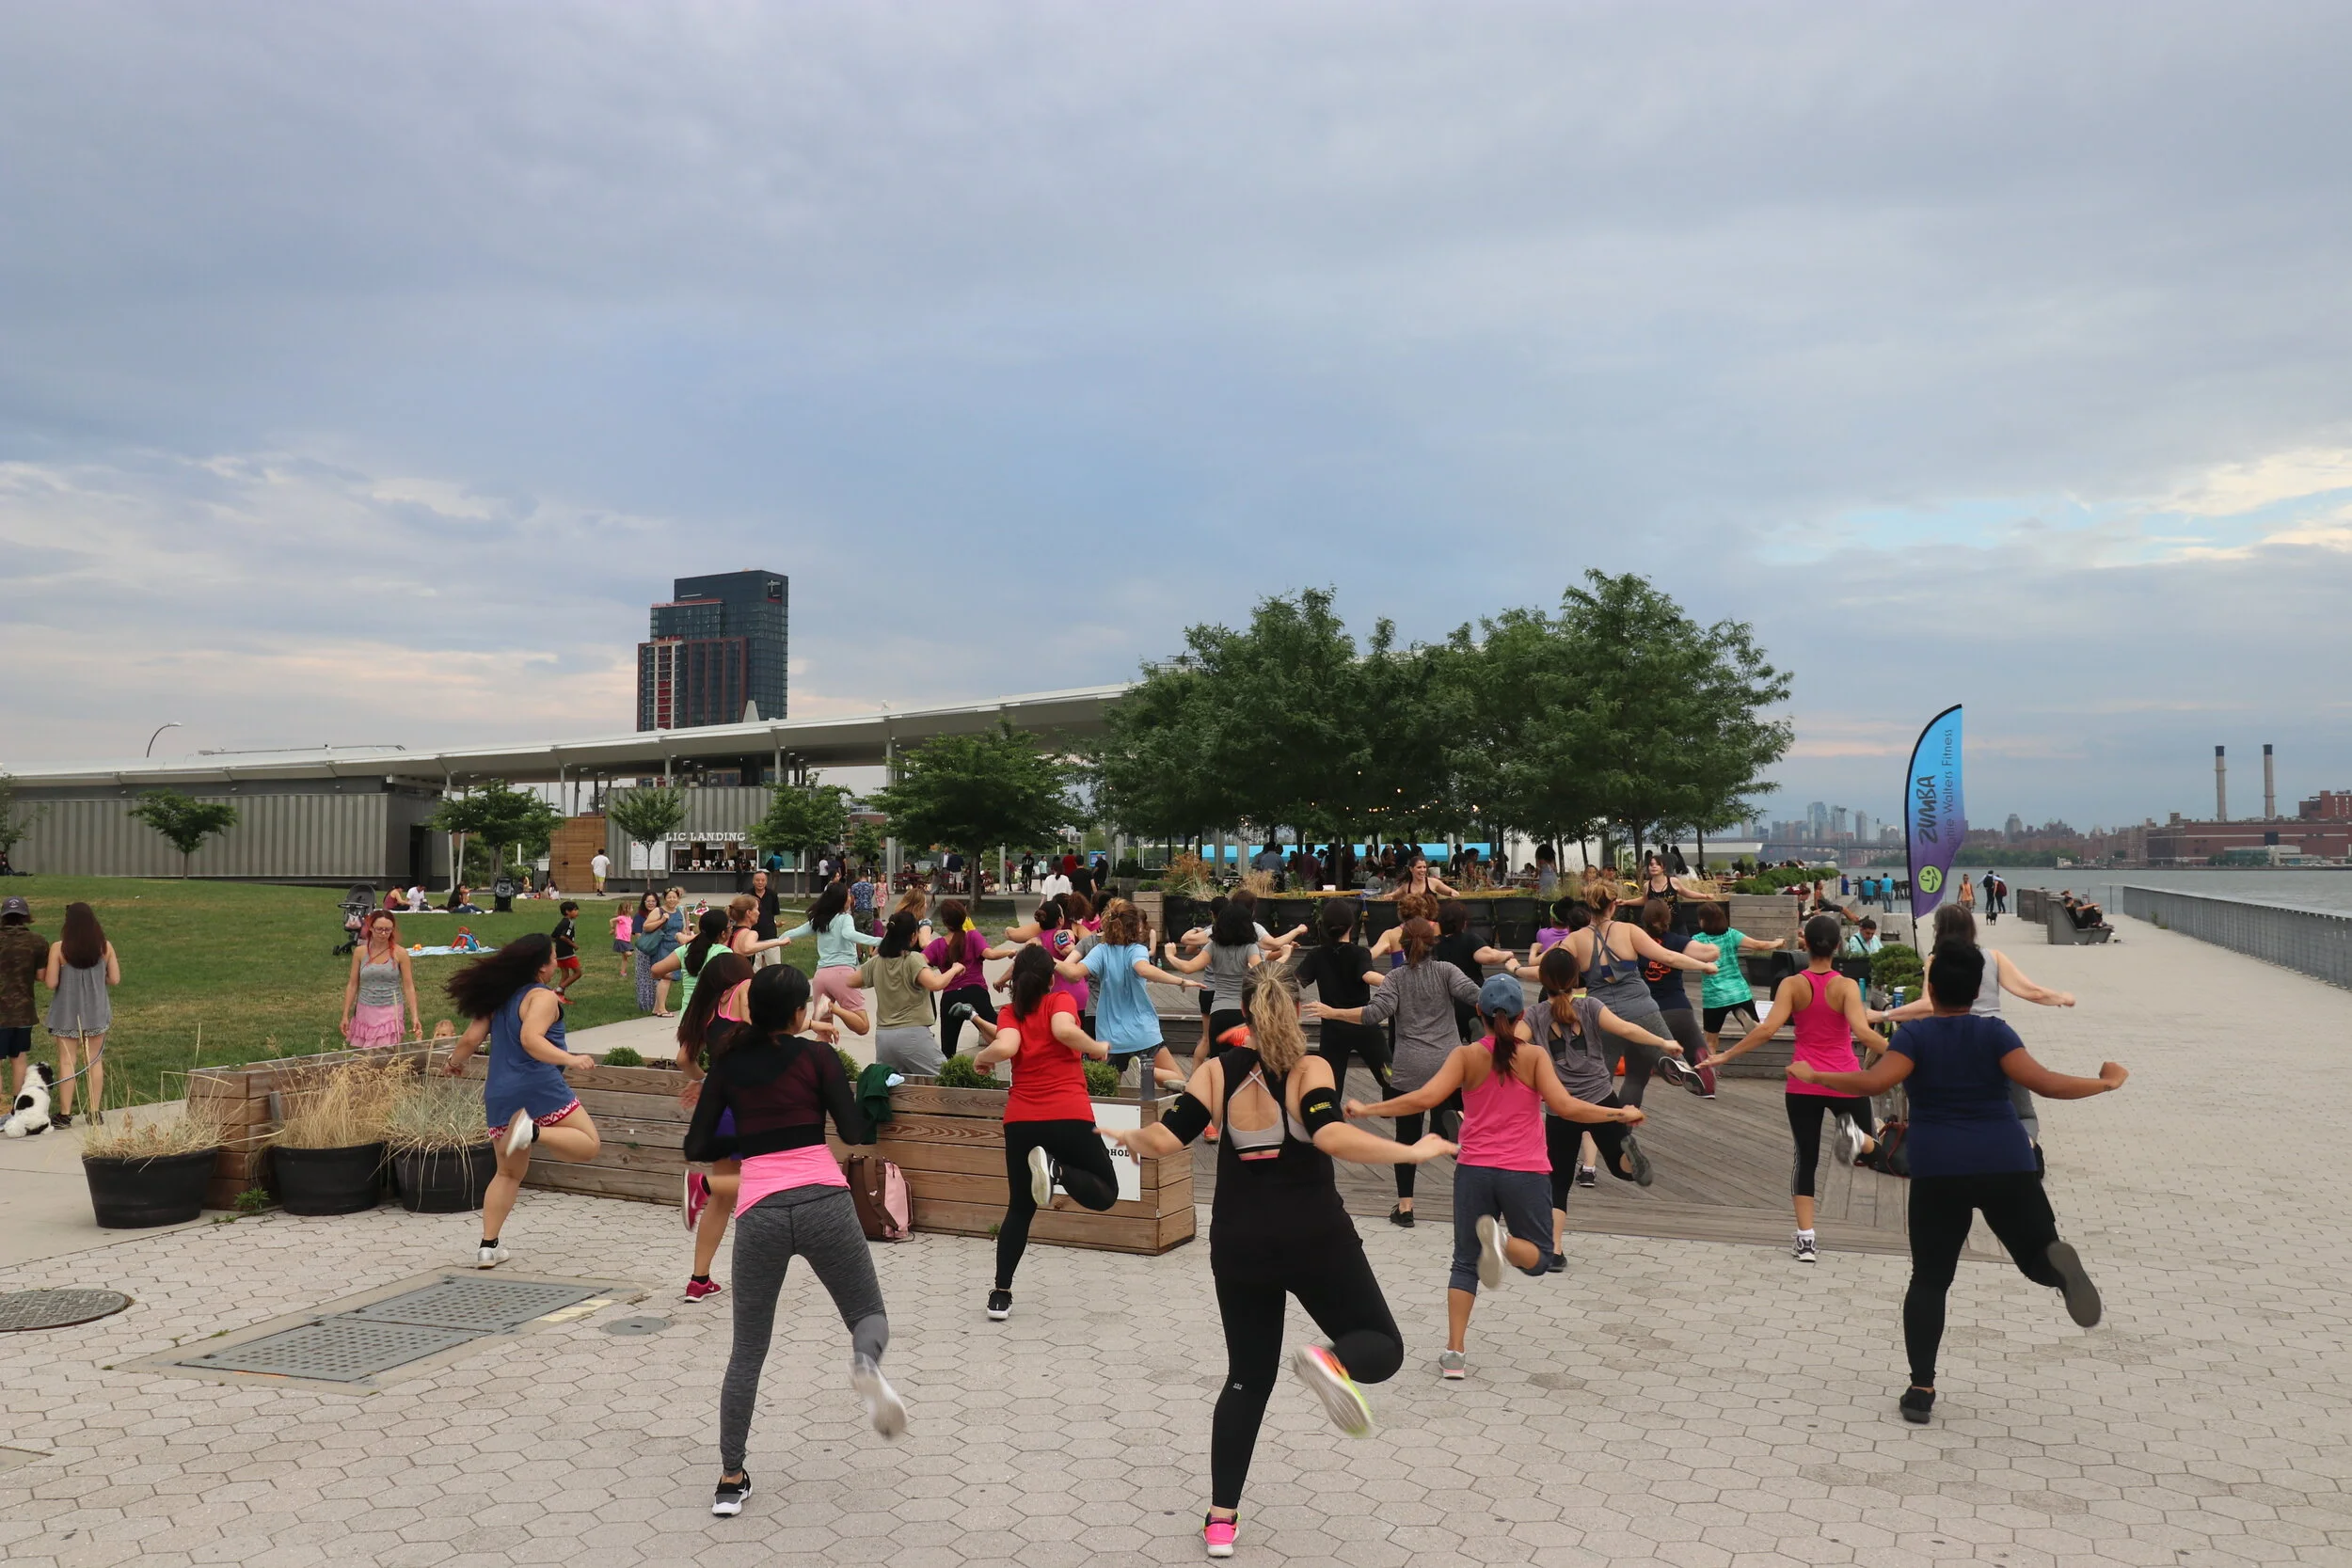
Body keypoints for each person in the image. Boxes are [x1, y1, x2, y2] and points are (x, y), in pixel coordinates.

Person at [1101, 969, 1453, 1558]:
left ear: (1243, 1014)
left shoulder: (1215, 1072)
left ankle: (1220, 1520)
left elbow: (1164, 1140)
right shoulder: (1311, 1071)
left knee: (1246, 1378)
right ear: (1299, 1011)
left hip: (1240, 1246)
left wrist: (1115, 1135)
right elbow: (1330, 1135)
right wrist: (1410, 1150)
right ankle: (1330, 1361)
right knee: (1383, 1347)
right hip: (1315, 1239)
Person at [1790, 942, 2121, 1423]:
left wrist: (1816, 1074)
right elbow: (2046, 1083)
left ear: (1932, 989)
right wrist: (2105, 1082)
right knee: (2036, 1255)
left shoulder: (1915, 1036)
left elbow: (1874, 1083)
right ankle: (2057, 1270)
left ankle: (1920, 1389)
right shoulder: (1995, 1033)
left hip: (1939, 1170)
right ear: (1974, 992)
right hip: (2006, 1162)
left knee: (1930, 1279)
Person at [684, 963, 904, 1517]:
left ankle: (730, 1479)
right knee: (867, 1315)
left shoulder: (729, 1064)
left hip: (760, 1209)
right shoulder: (818, 1058)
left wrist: (745, 1128)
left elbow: (697, 1144)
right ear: (800, 1012)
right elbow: (853, 1132)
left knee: (748, 1350)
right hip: (825, 1201)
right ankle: (865, 1362)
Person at [1347, 974, 1640, 1377]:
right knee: (1539, 1258)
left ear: (1479, 1012)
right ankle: (1502, 1242)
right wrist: (1617, 1113)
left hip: (1475, 1170)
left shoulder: (1466, 1055)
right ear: (1522, 1015)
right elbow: (1566, 1107)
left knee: (1464, 1263)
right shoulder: (1534, 1057)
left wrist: (1369, 1110)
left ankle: (1454, 1353)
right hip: (1525, 1172)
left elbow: (1423, 1098)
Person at [1699, 913, 1885, 1262]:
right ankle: (1858, 1140)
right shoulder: (1846, 986)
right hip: (1845, 1079)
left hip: (1803, 1082)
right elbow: (1862, 1032)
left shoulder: (1791, 985)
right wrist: (1905, 1055)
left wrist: (1726, 1055)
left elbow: (1767, 1030)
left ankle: (1806, 1240)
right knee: (1876, 1154)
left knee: (1806, 1158)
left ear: (1805, 944)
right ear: (1838, 946)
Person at [960, 943, 1120, 1322]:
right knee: (1107, 1192)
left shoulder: (1009, 1013)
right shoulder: (1059, 1000)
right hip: (1068, 1115)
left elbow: (1007, 1045)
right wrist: (1097, 1047)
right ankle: (1056, 1170)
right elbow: (1063, 1030)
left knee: (1020, 1207)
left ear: (1015, 981)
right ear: (1051, 979)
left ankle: (1000, 1294)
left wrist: (981, 1058)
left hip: (1022, 1122)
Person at [1302, 916, 1481, 1228]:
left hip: (1410, 1065)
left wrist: (1333, 1012)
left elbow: (1373, 1014)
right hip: (1448, 1064)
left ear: (1403, 947)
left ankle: (1406, 1207)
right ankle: (1452, 1132)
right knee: (1457, 1126)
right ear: (1433, 943)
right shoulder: (1447, 971)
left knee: (1406, 1137)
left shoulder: (1396, 978)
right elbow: (1477, 996)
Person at [438, 934, 602, 1267]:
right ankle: (533, 1131)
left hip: (500, 1091)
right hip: (538, 1085)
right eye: (553, 958)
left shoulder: (499, 997)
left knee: (508, 1173)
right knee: (589, 1144)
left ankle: (487, 1247)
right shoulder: (543, 997)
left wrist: (453, 1063)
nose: (556, 963)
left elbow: (470, 1038)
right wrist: (570, 1059)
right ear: (542, 967)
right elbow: (530, 1039)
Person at [1878, 904, 2076, 1165]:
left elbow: (1927, 1005)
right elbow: (2032, 991)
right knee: (2024, 1113)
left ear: (1940, 930)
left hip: (1950, 1043)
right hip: (1997, 1042)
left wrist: (1883, 1015)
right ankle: (2023, 1148)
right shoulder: (1993, 957)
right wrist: (2061, 997)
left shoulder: (1936, 961)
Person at [1524, 945, 1676, 1261]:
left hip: (1561, 1107)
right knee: (1619, 1167)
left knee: (1558, 1181)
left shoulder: (1534, 1015)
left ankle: (1554, 1251)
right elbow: (1627, 1029)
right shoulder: (1591, 1006)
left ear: (1542, 979)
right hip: (1602, 1099)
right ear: (1576, 978)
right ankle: (1629, 1157)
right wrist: (1663, 1042)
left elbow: (1510, 1044)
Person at [1545, 889, 1713, 1106]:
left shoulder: (1575, 939)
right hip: (1640, 1006)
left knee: (1602, 1074)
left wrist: (1517, 967)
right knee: (1658, 1049)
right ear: (1613, 905)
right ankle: (1675, 1063)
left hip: (1601, 1013)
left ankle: (1602, 1114)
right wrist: (1704, 966)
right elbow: (1668, 957)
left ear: (1588, 907)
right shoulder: (1629, 930)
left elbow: (1553, 964)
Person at [677, 951, 756, 1301]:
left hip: (719, 1107)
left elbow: (684, 1059)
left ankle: (699, 1280)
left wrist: (705, 1080)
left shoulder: (707, 1010)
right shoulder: (745, 989)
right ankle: (701, 1184)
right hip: (750, 1103)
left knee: (724, 1199)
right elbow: (763, 1031)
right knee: (780, 1177)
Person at [1058, 897, 1197, 1090]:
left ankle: (1139, 1074)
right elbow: (1143, 969)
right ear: (1135, 926)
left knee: (1110, 1090)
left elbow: (1073, 974)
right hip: (1142, 1030)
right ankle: (1147, 1070)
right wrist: (1180, 981)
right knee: (1177, 1079)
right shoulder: (1137, 950)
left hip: (1110, 1036)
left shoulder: (1101, 951)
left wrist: (1050, 960)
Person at [1290, 901, 1391, 1102]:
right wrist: (1399, 983)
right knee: (1389, 1073)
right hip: (1363, 1024)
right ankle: (1393, 1104)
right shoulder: (1360, 953)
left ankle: (1331, 1115)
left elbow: (1295, 980)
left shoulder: (1317, 955)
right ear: (1351, 925)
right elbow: (1368, 975)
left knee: (1330, 1083)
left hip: (1333, 1030)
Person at [859, 911, 967, 1074]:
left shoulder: (876, 962)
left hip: (883, 1037)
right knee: (947, 1077)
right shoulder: (912, 959)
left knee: (892, 1083)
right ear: (913, 935)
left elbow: (850, 981)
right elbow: (935, 984)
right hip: (912, 1035)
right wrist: (954, 969)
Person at [1693, 902, 1784, 1094]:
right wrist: (1777, 942)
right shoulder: (1731, 934)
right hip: (1738, 992)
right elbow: (1759, 945)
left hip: (1715, 996)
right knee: (1756, 1027)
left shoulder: (1698, 940)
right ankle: (1743, 1017)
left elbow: (1686, 958)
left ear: (1702, 921)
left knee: (1711, 1039)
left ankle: (1710, 1072)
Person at [43, 903, 118, 1127]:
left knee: (67, 1062)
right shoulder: (105, 947)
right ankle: (94, 1112)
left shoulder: (59, 948)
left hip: (67, 1013)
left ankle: (65, 1114)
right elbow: (114, 979)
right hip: (96, 1013)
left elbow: (51, 982)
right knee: (94, 1061)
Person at [1635, 897, 1717, 1100]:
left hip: (1649, 1012)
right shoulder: (1677, 941)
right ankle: (1705, 1082)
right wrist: (1715, 948)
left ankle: (1671, 1066)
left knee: (1641, 1064)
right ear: (1668, 918)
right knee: (1698, 1050)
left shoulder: (1636, 942)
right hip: (1680, 1008)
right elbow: (1710, 953)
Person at [776, 881, 883, 1023]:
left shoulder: (819, 920)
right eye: (848, 895)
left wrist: (778, 940)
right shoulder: (845, 918)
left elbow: (795, 932)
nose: (851, 898)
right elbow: (849, 934)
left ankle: (826, 1010)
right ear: (842, 900)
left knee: (823, 1030)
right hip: (842, 974)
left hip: (821, 976)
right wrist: (879, 941)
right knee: (862, 1024)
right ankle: (833, 1008)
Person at [342, 910, 421, 1047]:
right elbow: (353, 985)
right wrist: (345, 1015)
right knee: (366, 1053)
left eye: (387, 930)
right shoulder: (360, 952)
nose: (383, 934)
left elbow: (409, 987)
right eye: (379, 929)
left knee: (386, 1050)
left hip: (391, 1009)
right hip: (366, 1009)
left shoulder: (400, 953)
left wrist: (415, 1016)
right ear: (371, 928)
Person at [0, 895, 46, 1100]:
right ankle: (16, 1105)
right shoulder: (37, 942)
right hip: (23, 1011)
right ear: (26, 916)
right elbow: (41, 976)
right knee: (18, 1058)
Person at [748, 869, 782, 968]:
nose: (760, 882)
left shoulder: (772, 895)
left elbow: (774, 913)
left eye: (763, 880)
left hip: (770, 936)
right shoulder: (747, 895)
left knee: (774, 967)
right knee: (753, 968)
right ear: (753, 881)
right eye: (757, 880)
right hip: (752, 937)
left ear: (766, 882)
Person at [548, 901, 582, 994]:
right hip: (567, 952)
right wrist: (573, 945)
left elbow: (553, 937)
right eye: (575, 910)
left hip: (559, 952)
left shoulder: (561, 922)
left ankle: (559, 996)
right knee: (578, 973)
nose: (577, 912)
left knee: (565, 974)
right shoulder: (570, 923)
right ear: (567, 911)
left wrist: (558, 944)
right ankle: (559, 989)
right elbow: (563, 937)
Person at [611, 900, 636, 982]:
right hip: (621, 940)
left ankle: (623, 972)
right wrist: (613, 929)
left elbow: (629, 928)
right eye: (631, 908)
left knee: (625, 958)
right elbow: (611, 920)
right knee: (628, 954)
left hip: (627, 940)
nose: (632, 909)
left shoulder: (630, 919)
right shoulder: (621, 918)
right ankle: (624, 951)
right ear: (626, 909)